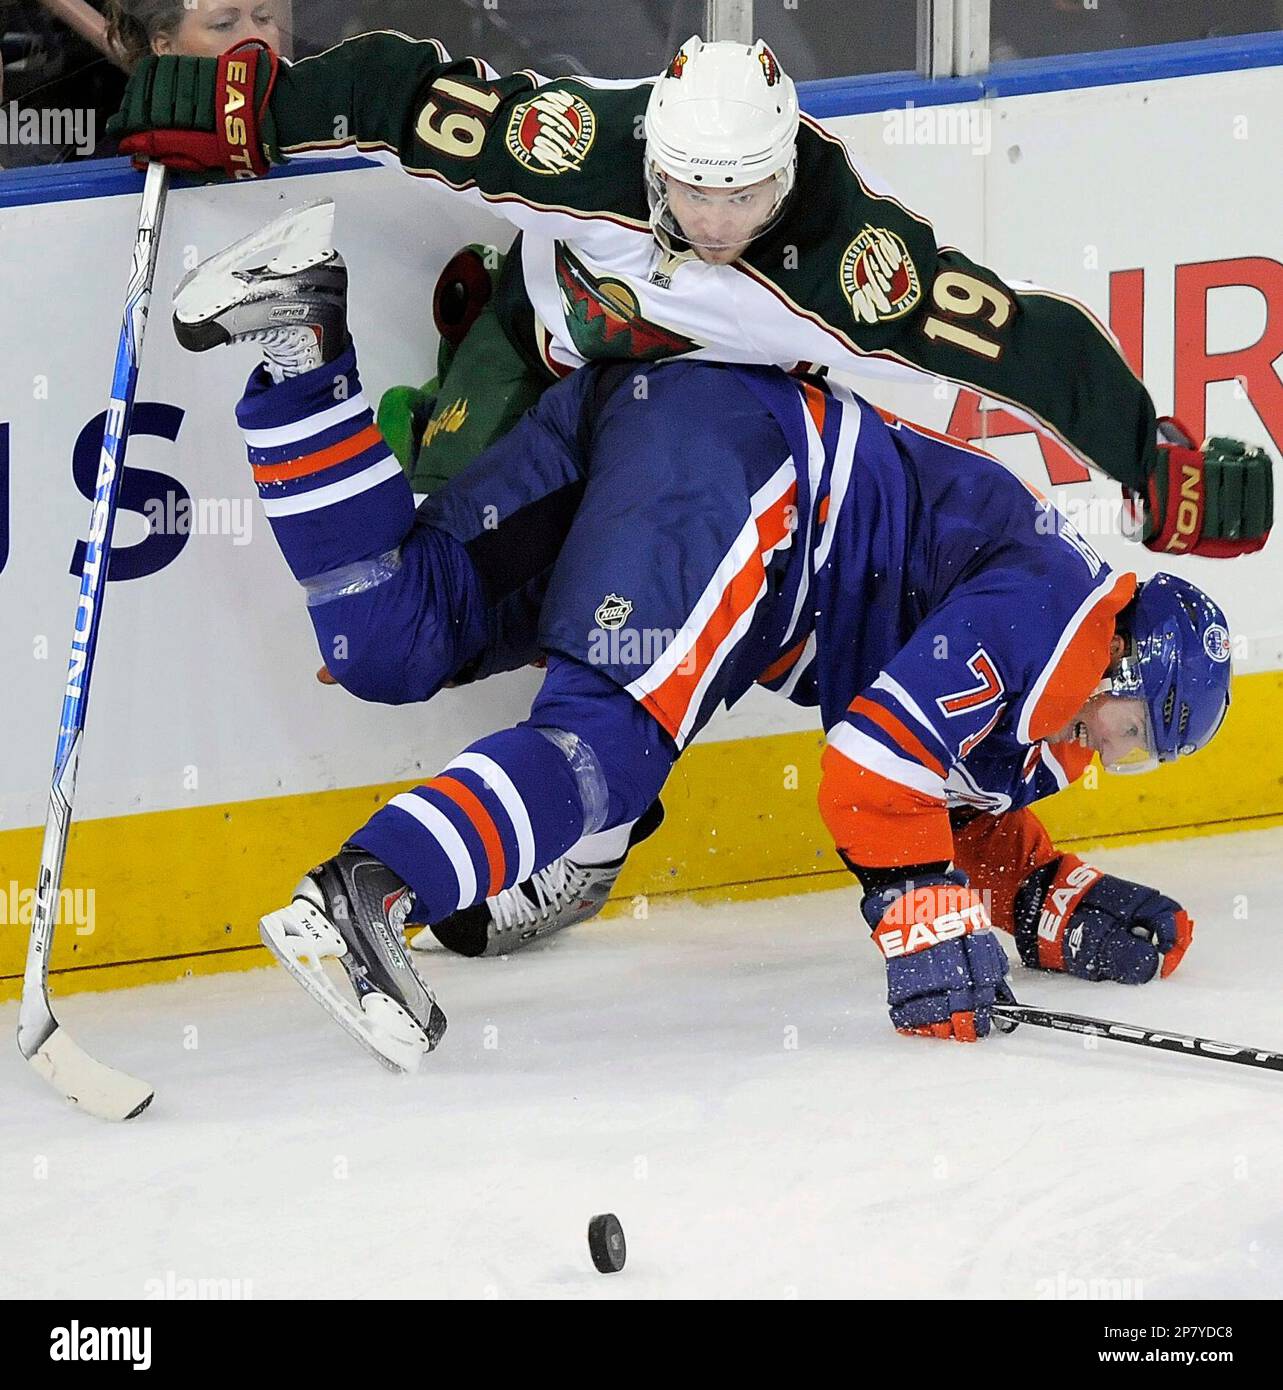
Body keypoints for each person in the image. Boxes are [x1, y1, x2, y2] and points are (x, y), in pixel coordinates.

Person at [107, 32, 1267, 955]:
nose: (713, 224)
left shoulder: (850, 263)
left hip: (691, 432)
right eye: (691, 191)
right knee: (397, 636)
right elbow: (405, 95)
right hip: (534, 369)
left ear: (789, 174)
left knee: (619, 659)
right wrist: (250, 106)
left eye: (746, 196)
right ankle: (567, 815)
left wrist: (1152, 459)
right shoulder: (575, 147)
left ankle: (583, 829)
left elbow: (1023, 345)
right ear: (651, 153)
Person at [167, 199, 1228, 1069]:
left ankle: (299, 339)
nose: (1104, 755)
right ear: (1123, 656)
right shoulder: (1053, 608)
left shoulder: (1043, 657)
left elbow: (950, 775)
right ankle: (366, 893)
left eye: (1132, 755)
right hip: (740, 472)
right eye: (1130, 730)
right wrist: (914, 908)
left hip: (662, 416)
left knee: (390, 634)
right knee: (605, 751)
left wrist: (1043, 896)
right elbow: (872, 768)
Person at [103, 0, 284, 66]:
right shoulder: (142, 146)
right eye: (224, 24)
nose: (256, 37)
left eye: (263, 18)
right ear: (166, 47)